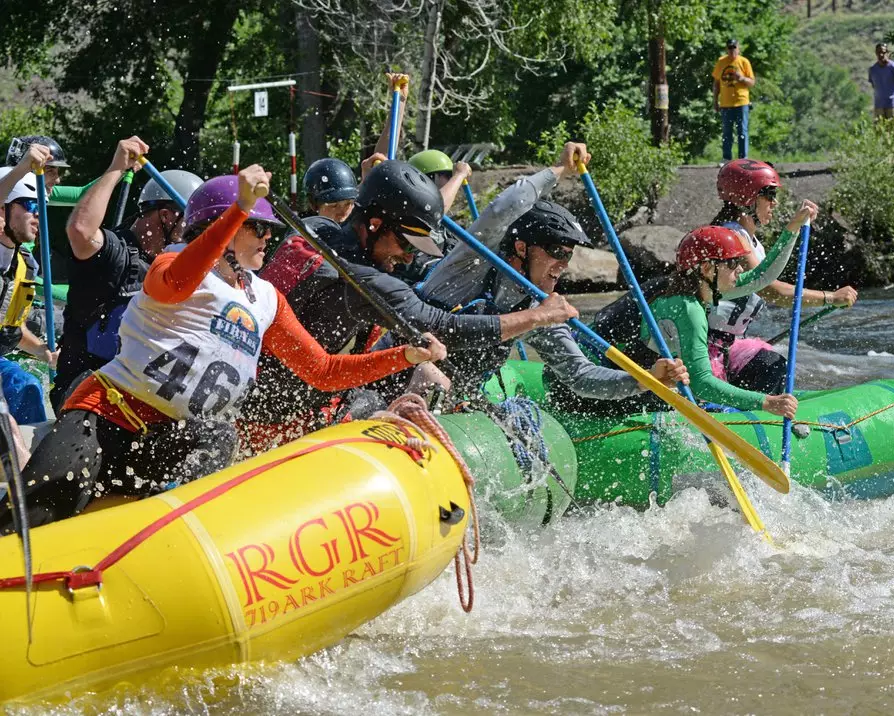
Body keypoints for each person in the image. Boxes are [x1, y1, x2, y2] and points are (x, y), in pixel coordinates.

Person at [0, 166, 447, 532]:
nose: (267, 238)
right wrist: (239, 209)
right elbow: (177, 282)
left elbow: (324, 371)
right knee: (25, 522)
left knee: (219, 435)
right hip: (103, 419)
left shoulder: (266, 299)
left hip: (168, 440)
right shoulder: (172, 263)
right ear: (221, 227)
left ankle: (183, 538)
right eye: (257, 227)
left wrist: (403, 357)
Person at [240, 158, 577, 452]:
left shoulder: (316, 230)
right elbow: (445, 328)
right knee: (419, 386)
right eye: (405, 242)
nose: (409, 256)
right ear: (373, 225)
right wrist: (538, 315)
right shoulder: (364, 281)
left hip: (265, 397)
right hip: (285, 419)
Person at [418, 142, 688, 405]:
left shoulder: (542, 310)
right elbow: (503, 208)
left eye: (568, 255)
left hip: (451, 401)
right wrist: (559, 169)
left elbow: (581, 376)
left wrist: (646, 380)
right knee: (429, 376)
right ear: (522, 248)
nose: (564, 264)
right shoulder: (474, 261)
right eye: (556, 251)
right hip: (406, 377)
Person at [55, 135, 204, 411]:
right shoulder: (115, 252)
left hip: (141, 396)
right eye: (191, 224)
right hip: (87, 394)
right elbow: (81, 231)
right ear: (167, 216)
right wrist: (116, 168)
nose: (196, 236)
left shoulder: (173, 270)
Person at [597, 226, 797, 418]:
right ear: (707, 267)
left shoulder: (695, 287)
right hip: (610, 382)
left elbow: (762, 277)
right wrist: (766, 402)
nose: (740, 269)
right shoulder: (687, 307)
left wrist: (793, 229)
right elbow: (700, 383)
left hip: (632, 375)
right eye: (732, 263)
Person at [709, 159, 856, 393]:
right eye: (768, 195)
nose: (774, 203)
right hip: (706, 350)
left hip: (730, 344)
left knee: (773, 366)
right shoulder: (730, 237)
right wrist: (830, 297)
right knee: (772, 366)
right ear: (748, 198)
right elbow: (769, 288)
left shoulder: (749, 240)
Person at [0, 163, 59, 424]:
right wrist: (23, 166)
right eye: (32, 207)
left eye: (42, 209)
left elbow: (13, 327)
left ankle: (29, 465)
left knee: (27, 387)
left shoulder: (24, 264)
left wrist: (44, 352)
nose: (39, 218)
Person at [5, 135, 93, 206]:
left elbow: (83, 195)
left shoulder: (41, 190)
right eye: (50, 171)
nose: (58, 181)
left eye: (60, 172)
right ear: (26, 171)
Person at [711, 39, 755, 164]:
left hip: (742, 102)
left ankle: (742, 159)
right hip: (725, 103)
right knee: (726, 132)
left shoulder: (744, 62)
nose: (732, 50)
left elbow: (752, 82)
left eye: (734, 47)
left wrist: (741, 78)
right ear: (727, 49)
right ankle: (726, 158)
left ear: (738, 48)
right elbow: (716, 83)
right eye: (730, 48)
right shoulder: (721, 62)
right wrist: (715, 100)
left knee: (742, 131)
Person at [409, 149, 472, 214]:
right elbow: (436, 208)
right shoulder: (413, 208)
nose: (451, 181)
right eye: (448, 176)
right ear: (430, 178)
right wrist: (460, 174)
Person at [301, 157, 358, 224]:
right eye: (334, 206)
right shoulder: (301, 232)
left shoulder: (361, 225)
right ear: (313, 206)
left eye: (348, 204)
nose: (342, 214)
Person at [868, 43, 894, 142]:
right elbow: (873, 84)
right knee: (879, 131)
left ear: (887, 53)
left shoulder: (893, 67)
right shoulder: (873, 70)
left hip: (892, 104)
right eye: (879, 52)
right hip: (879, 105)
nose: (881, 55)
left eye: (883, 52)